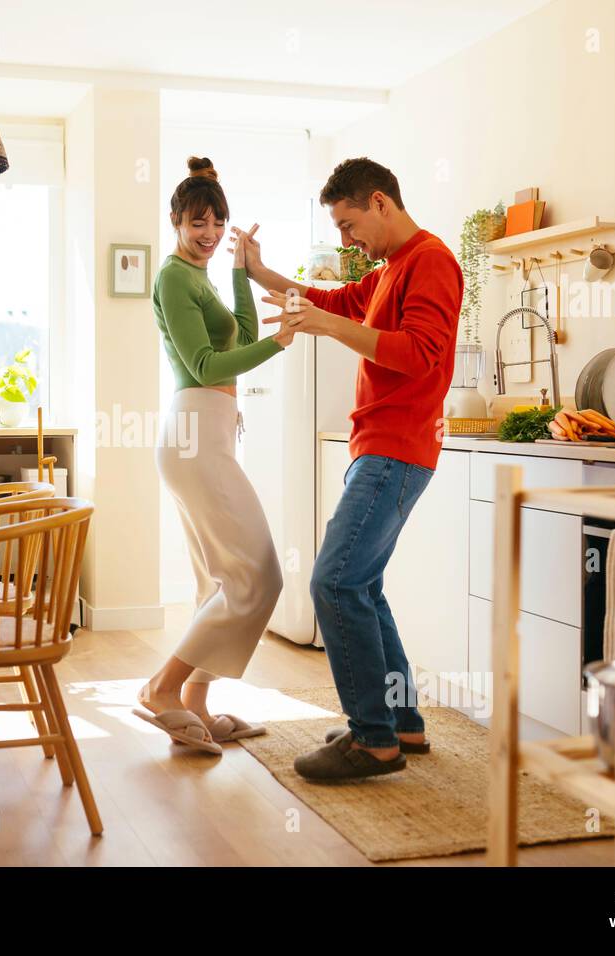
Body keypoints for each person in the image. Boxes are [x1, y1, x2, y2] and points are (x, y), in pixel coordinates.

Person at [238, 157, 463, 779]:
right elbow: (328, 298)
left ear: (380, 202)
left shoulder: (432, 261)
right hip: (381, 446)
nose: (345, 239)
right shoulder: (391, 269)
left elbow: (419, 355)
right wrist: (262, 271)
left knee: (333, 584)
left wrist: (330, 325)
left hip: (397, 446)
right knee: (361, 585)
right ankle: (402, 724)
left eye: (348, 223)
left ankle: (373, 740)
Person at [132, 156, 295, 755]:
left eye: (218, 222)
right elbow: (204, 365)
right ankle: (161, 688)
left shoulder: (202, 276)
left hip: (210, 434)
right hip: (195, 434)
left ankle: (195, 700)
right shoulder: (174, 277)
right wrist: (280, 343)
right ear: (175, 220)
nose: (209, 232)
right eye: (198, 221)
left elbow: (241, 339)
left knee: (218, 582)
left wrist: (242, 273)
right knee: (258, 574)